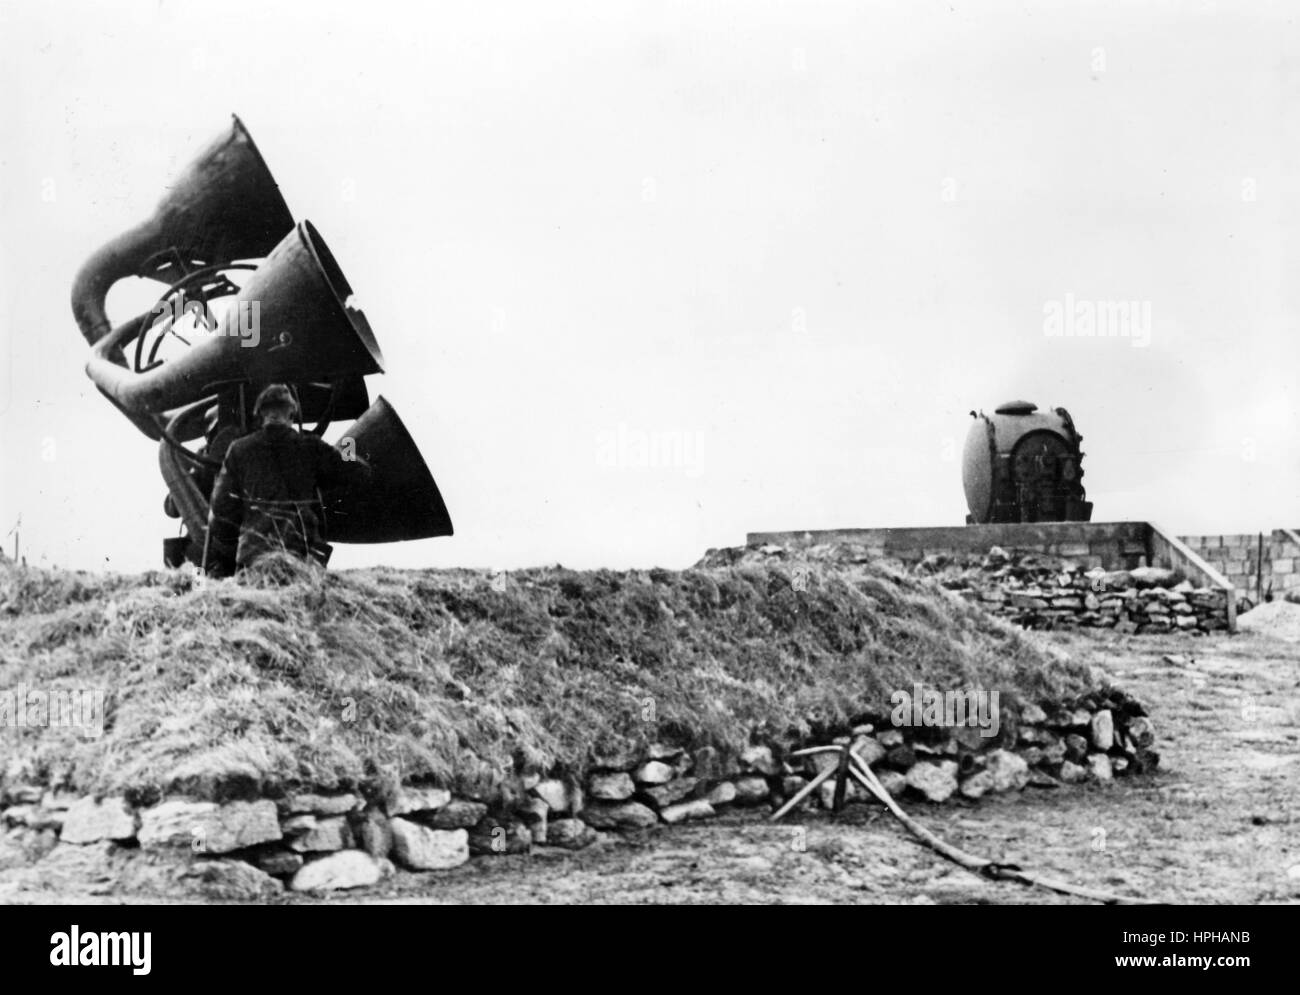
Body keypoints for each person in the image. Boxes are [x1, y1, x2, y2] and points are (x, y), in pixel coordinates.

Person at [205, 384, 370, 575]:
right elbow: (358, 472)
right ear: (292, 413)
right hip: (301, 556)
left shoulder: (238, 449)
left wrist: (240, 535)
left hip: (254, 558)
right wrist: (346, 450)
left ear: (260, 414)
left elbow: (220, 506)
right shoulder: (311, 447)